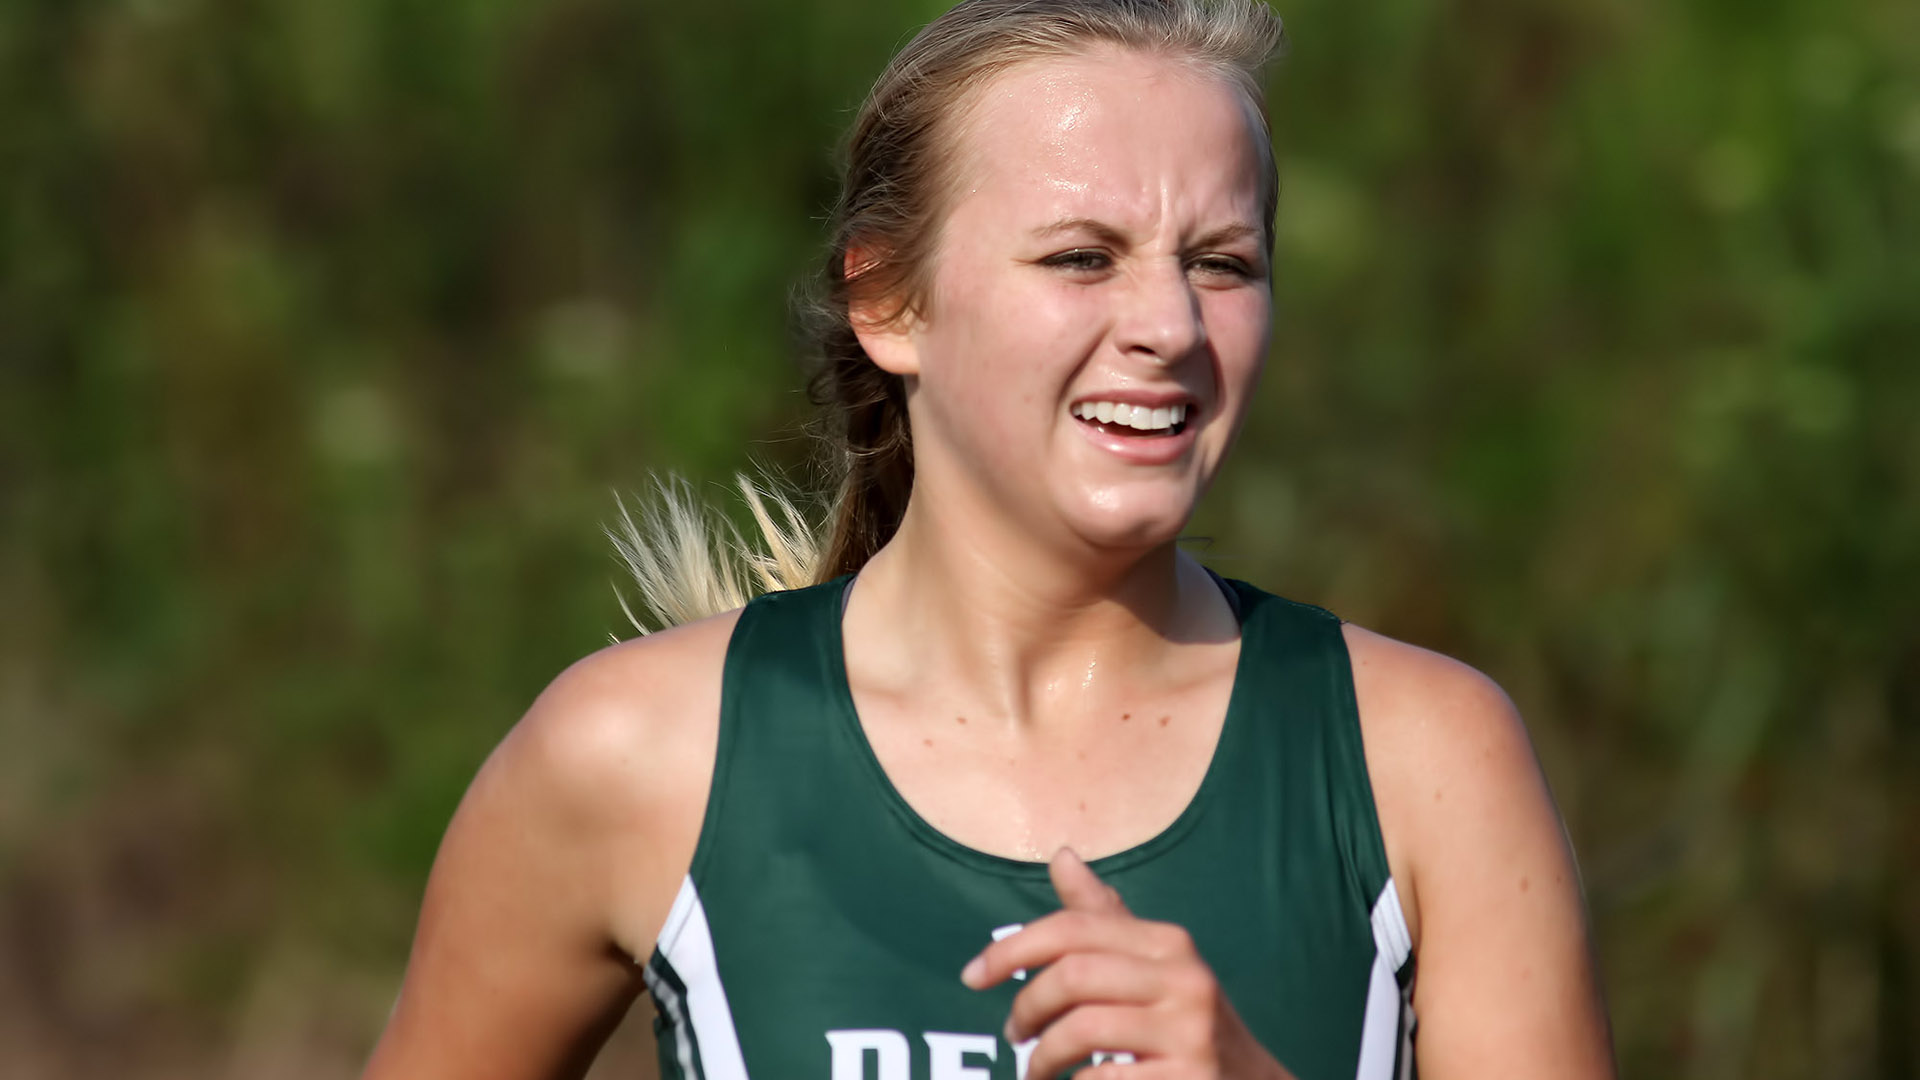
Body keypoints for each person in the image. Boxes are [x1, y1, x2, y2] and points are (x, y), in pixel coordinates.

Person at [360, 1, 1616, 1077]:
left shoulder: (1426, 761)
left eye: (1223, 262)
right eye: (1083, 257)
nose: (1168, 324)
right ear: (888, 302)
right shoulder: (635, 757)